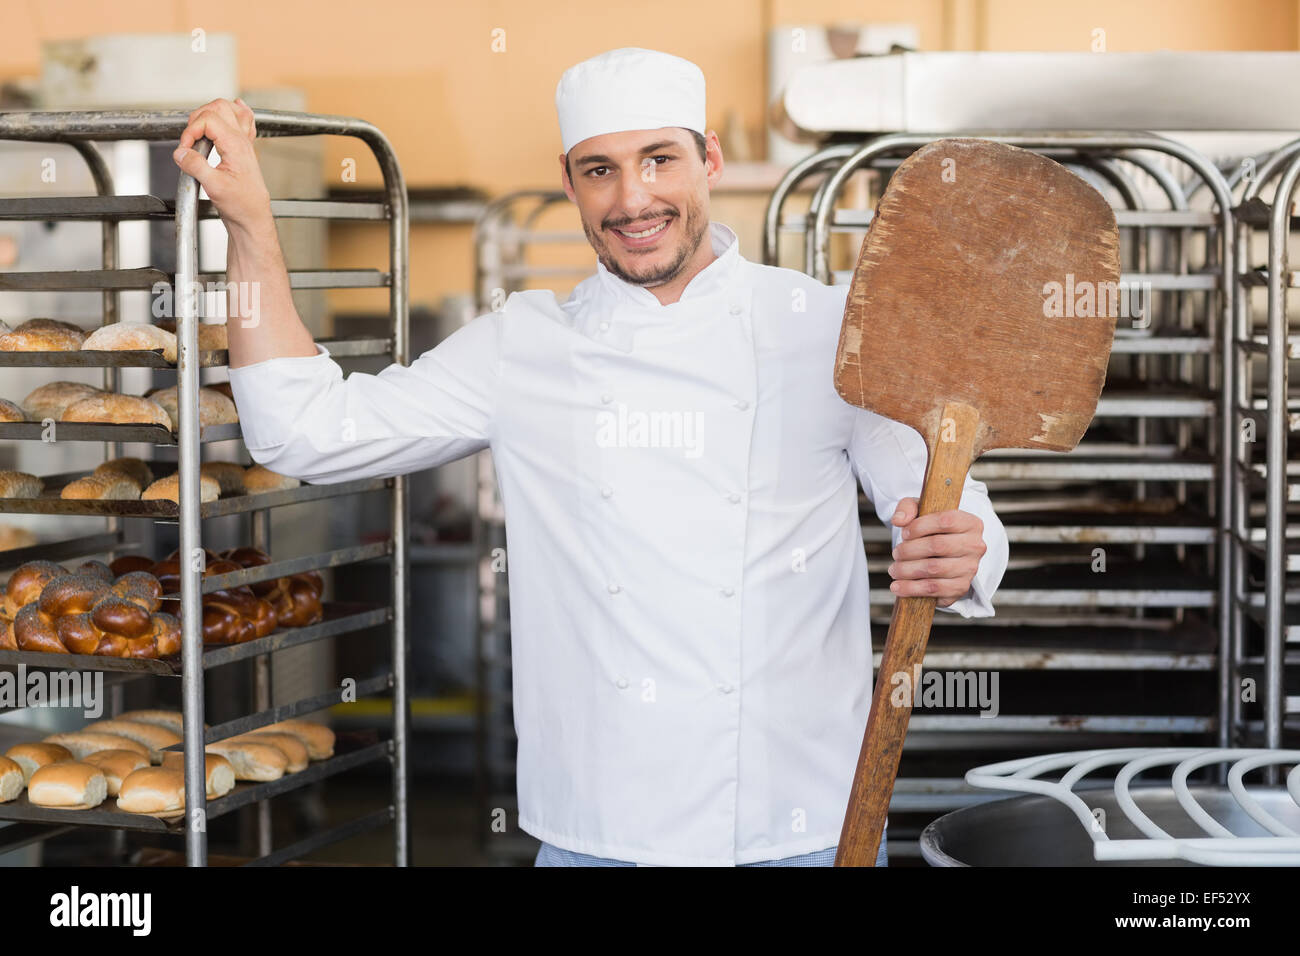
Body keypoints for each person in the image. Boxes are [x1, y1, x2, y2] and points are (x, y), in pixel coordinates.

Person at [173, 46, 1008, 867]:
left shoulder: (829, 330)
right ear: (568, 182)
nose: (633, 197)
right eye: (600, 169)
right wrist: (250, 220)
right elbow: (304, 431)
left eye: (659, 159)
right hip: (597, 834)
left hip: (798, 825)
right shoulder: (523, 346)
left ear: (708, 159)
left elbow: (950, 507)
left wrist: (962, 546)